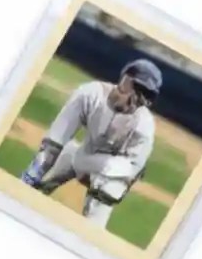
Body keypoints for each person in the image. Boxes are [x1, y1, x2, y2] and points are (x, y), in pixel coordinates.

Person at [21, 59, 162, 229]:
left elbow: (132, 170)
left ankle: (89, 235)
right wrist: (32, 174)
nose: (137, 99)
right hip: (78, 155)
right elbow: (55, 139)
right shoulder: (91, 94)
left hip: (107, 172)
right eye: (137, 89)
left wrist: (101, 180)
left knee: (112, 184)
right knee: (39, 175)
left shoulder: (144, 125)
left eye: (145, 95)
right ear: (125, 81)